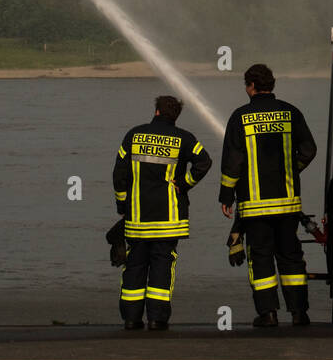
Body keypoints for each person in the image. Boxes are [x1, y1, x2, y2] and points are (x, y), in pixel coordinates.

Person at [218, 63, 316, 328]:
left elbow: (232, 163)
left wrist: (226, 196)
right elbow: (309, 150)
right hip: (287, 205)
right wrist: (290, 170)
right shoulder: (290, 113)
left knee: (261, 259)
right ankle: (299, 313)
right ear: (271, 85)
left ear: (251, 86)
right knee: (290, 256)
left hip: (255, 207)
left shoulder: (240, 117)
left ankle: (268, 314)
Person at [112, 95, 211, 331]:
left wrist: (122, 205)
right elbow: (204, 162)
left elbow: (119, 174)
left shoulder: (133, 135)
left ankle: (131, 318)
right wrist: (184, 184)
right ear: (175, 116)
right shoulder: (184, 138)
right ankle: (157, 319)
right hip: (169, 221)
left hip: (137, 219)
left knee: (134, 266)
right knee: (162, 267)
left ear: (156, 112)